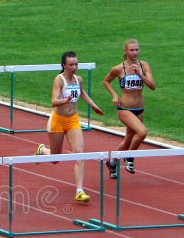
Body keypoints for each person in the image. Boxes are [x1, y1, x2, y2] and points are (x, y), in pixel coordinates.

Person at [34, 51, 104, 203]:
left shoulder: (78, 79)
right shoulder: (59, 80)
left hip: (73, 120)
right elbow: (53, 101)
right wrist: (65, 101)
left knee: (79, 153)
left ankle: (79, 190)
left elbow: (82, 93)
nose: (74, 67)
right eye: (71, 65)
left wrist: (93, 106)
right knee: (55, 159)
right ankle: (43, 150)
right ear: (64, 65)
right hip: (57, 121)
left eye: (76, 64)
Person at [102, 39, 156, 178]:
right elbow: (106, 81)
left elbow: (152, 86)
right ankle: (129, 158)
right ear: (125, 51)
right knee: (142, 132)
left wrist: (140, 75)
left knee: (128, 140)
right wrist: (114, 95)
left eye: (137, 49)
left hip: (139, 109)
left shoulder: (144, 65)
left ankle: (112, 162)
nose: (135, 52)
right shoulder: (118, 69)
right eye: (131, 50)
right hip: (124, 108)